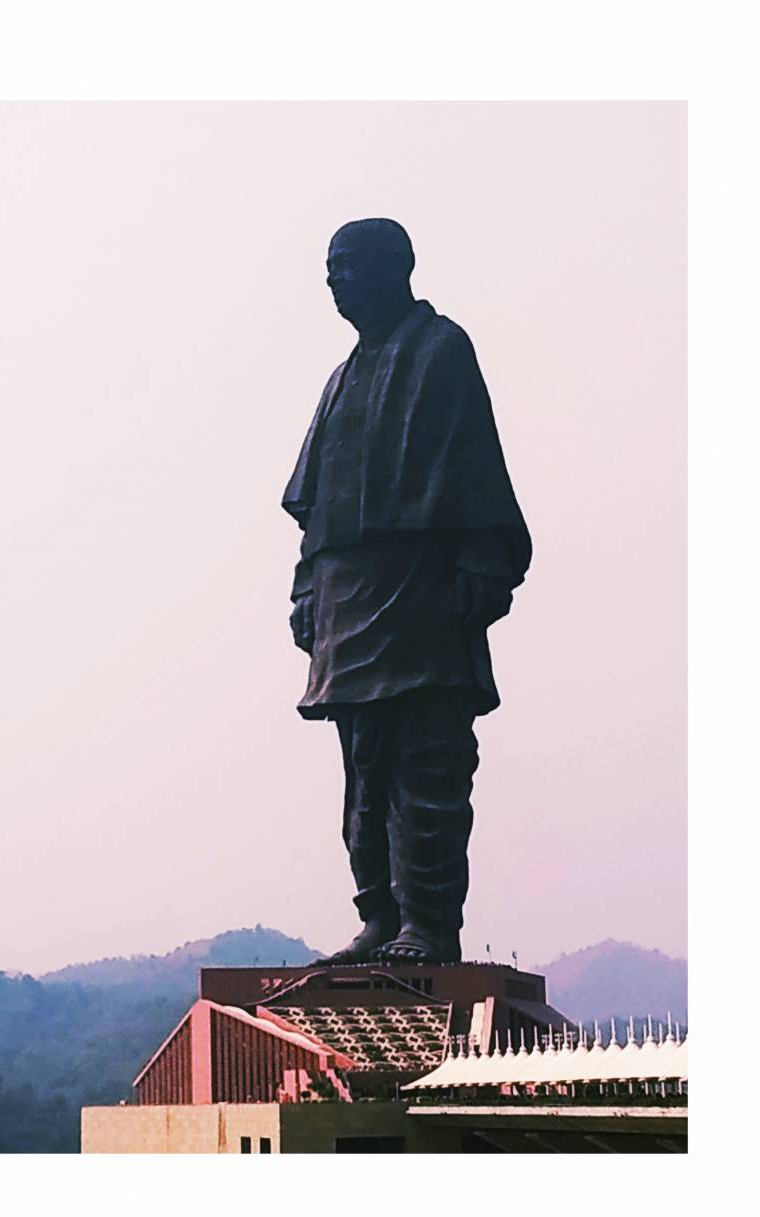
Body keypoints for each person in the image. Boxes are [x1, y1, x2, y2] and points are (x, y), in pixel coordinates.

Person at [282, 218, 531, 965]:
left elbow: (477, 467)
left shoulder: (441, 350)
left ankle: (427, 923)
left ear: (397, 267)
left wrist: (482, 566)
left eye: (348, 265)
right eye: (329, 268)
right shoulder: (341, 377)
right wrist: (305, 592)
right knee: (363, 772)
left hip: (420, 588)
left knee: (428, 761)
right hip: (347, 598)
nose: (334, 280)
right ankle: (378, 916)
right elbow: (313, 507)